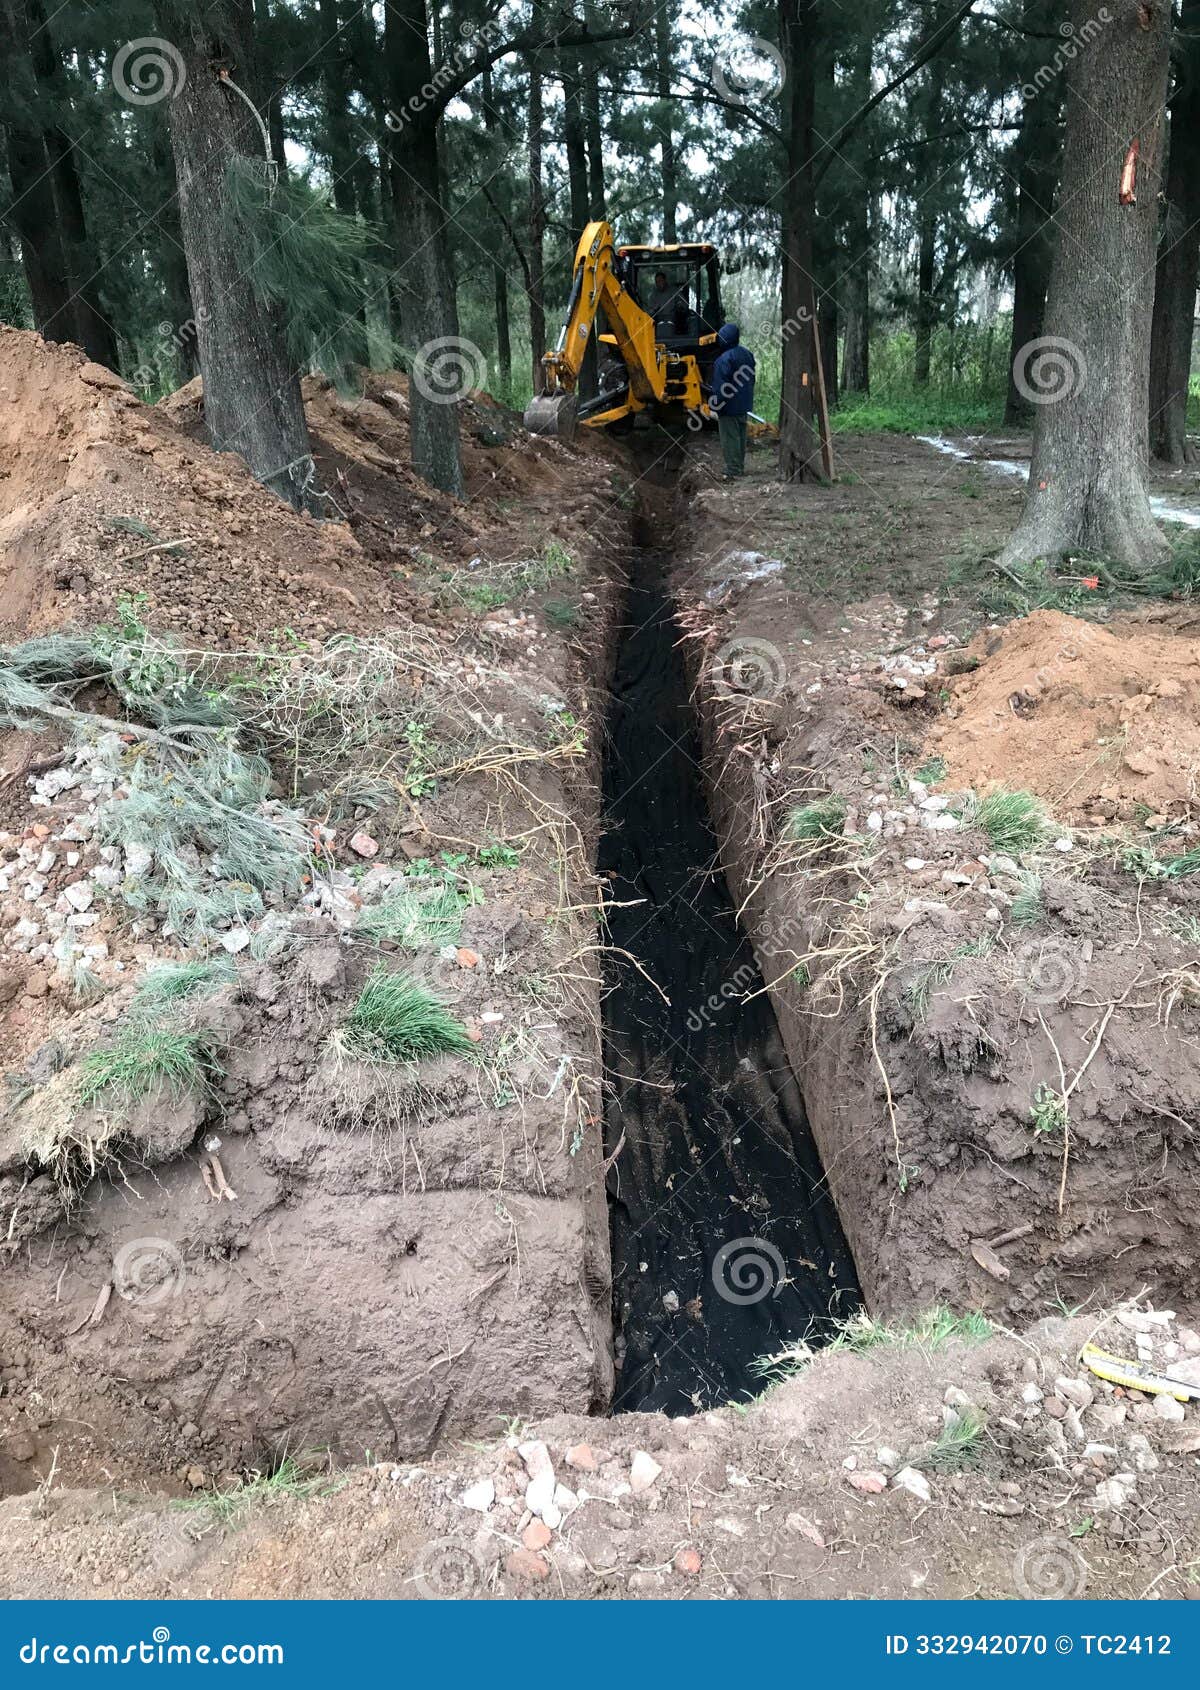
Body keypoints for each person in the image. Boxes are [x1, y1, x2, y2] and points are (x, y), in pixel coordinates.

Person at [709, 321, 755, 480]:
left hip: (728, 406)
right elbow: (751, 379)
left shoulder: (723, 360)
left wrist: (715, 406)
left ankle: (733, 469)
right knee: (741, 436)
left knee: (730, 438)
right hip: (744, 404)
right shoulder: (747, 354)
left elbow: (720, 387)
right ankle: (739, 466)